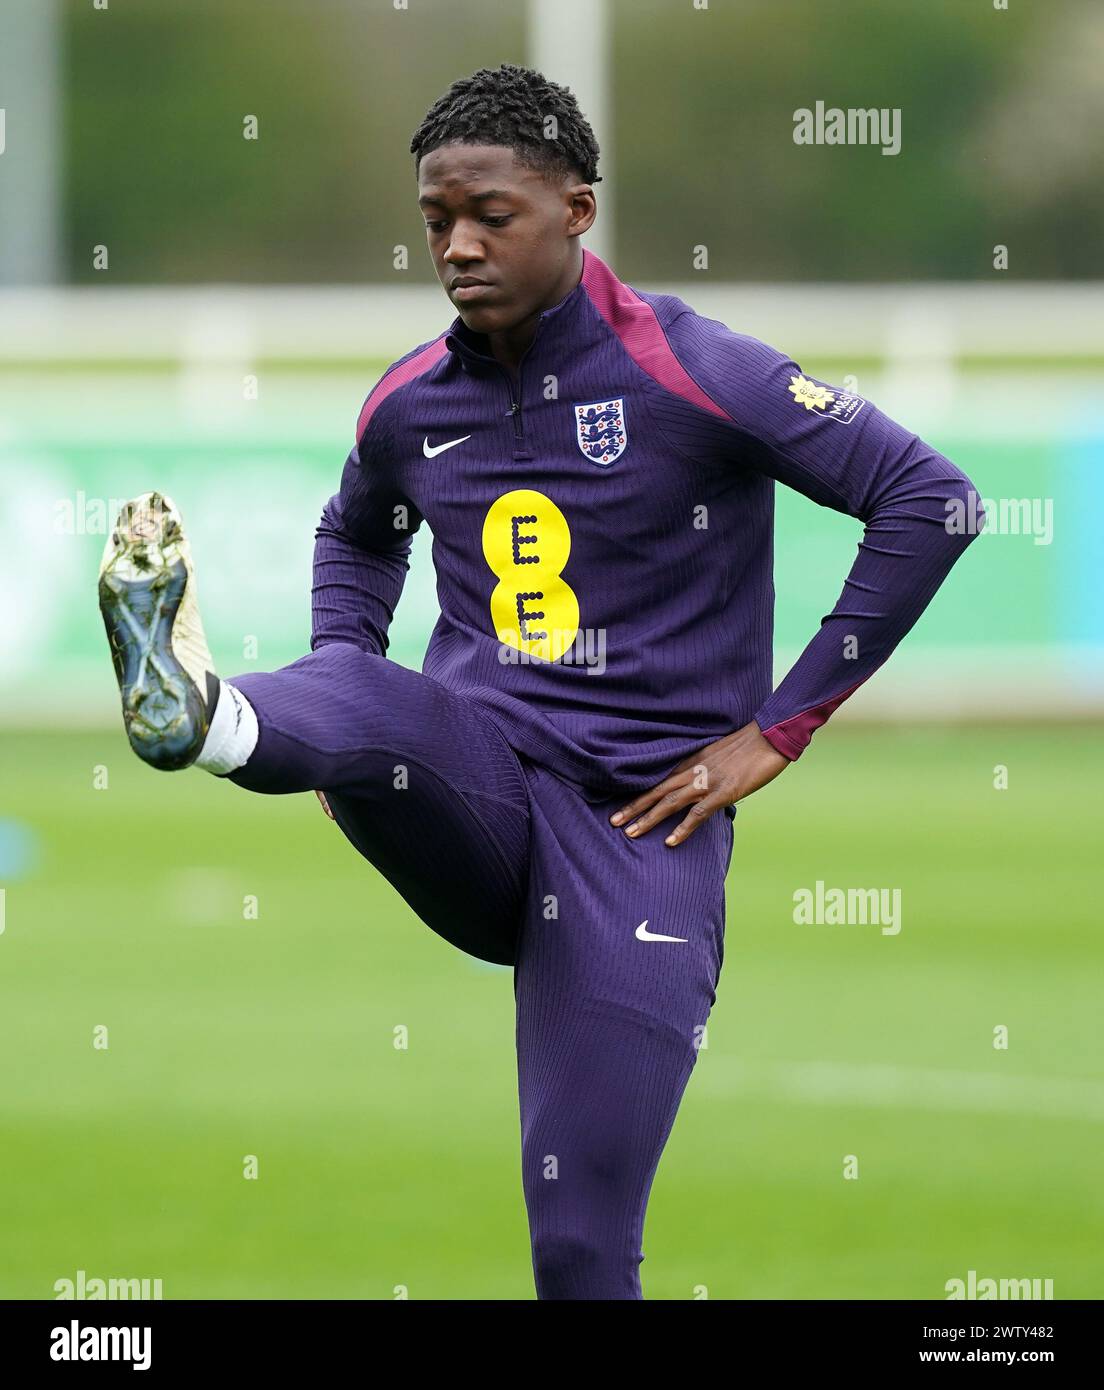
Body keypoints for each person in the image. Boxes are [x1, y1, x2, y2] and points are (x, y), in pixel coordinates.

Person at [98, 63, 982, 1299]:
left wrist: (779, 729)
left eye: (489, 216)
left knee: (579, 1241)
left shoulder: (695, 368)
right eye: (434, 222)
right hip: (484, 781)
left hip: (643, 829)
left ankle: (263, 722)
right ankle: (217, 718)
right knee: (369, 690)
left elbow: (931, 499)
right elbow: (356, 533)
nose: (456, 246)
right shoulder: (409, 402)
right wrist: (344, 701)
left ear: (577, 208)